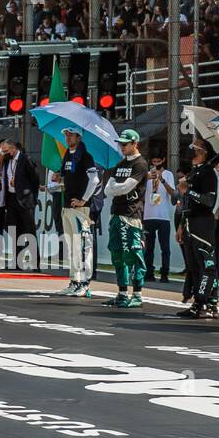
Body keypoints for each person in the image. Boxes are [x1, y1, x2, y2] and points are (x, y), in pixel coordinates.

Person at [102, 129, 149, 308]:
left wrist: (117, 188)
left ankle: (137, 293)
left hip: (131, 215)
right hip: (116, 213)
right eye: (120, 144)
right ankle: (122, 293)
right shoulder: (120, 163)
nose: (122, 147)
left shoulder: (140, 164)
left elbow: (125, 188)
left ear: (134, 143)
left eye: (125, 144)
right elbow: (108, 189)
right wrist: (117, 188)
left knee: (134, 253)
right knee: (117, 253)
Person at [176, 138, 219, 318]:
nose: (190, 149)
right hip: (189, 224)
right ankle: (197, 302)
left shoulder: (209, 173)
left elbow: (209, 201)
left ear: (203, 151)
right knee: (193, 266)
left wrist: (188, 190)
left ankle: (207, 303)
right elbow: (186, 203)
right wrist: (181, 225)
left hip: (203, 225)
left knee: (206, 265)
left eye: (194, 146)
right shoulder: (194, 172)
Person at [56, 126, 99, 296]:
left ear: (79, 137)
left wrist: (84, 199)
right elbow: (69, 177)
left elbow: (94, 180)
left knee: (82, 246)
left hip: (80, 209)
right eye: (65, 134)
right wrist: (58, 177)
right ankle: (74, 281)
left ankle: (84, 282)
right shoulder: (67, 154)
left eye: (70, 134)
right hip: (67, 206)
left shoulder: (86, 156)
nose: (67, 137)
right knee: (72, 246)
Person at [3, 139, 40, 267]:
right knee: (14, 231)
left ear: (13, 149)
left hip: (24, 200)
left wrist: (29, 194)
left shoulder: (25, 159)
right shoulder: (8, 161)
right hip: (11, 199)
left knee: (30, 231)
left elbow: (35, 179)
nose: (4, 153)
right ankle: (17, 262)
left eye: (6, 151)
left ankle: (35, 262)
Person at [142, 148, 175, 284]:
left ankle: (165, 273)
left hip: (163, 216)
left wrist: (161, 180)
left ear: (163, 160)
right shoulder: (147, 174)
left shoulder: (168, 174)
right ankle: (149, 272)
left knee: (165, 248)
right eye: (153, 162)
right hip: (149, 215)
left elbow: (172, 192)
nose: (156, 164)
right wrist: (148, 178)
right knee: (149, 247)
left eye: (158, 161)